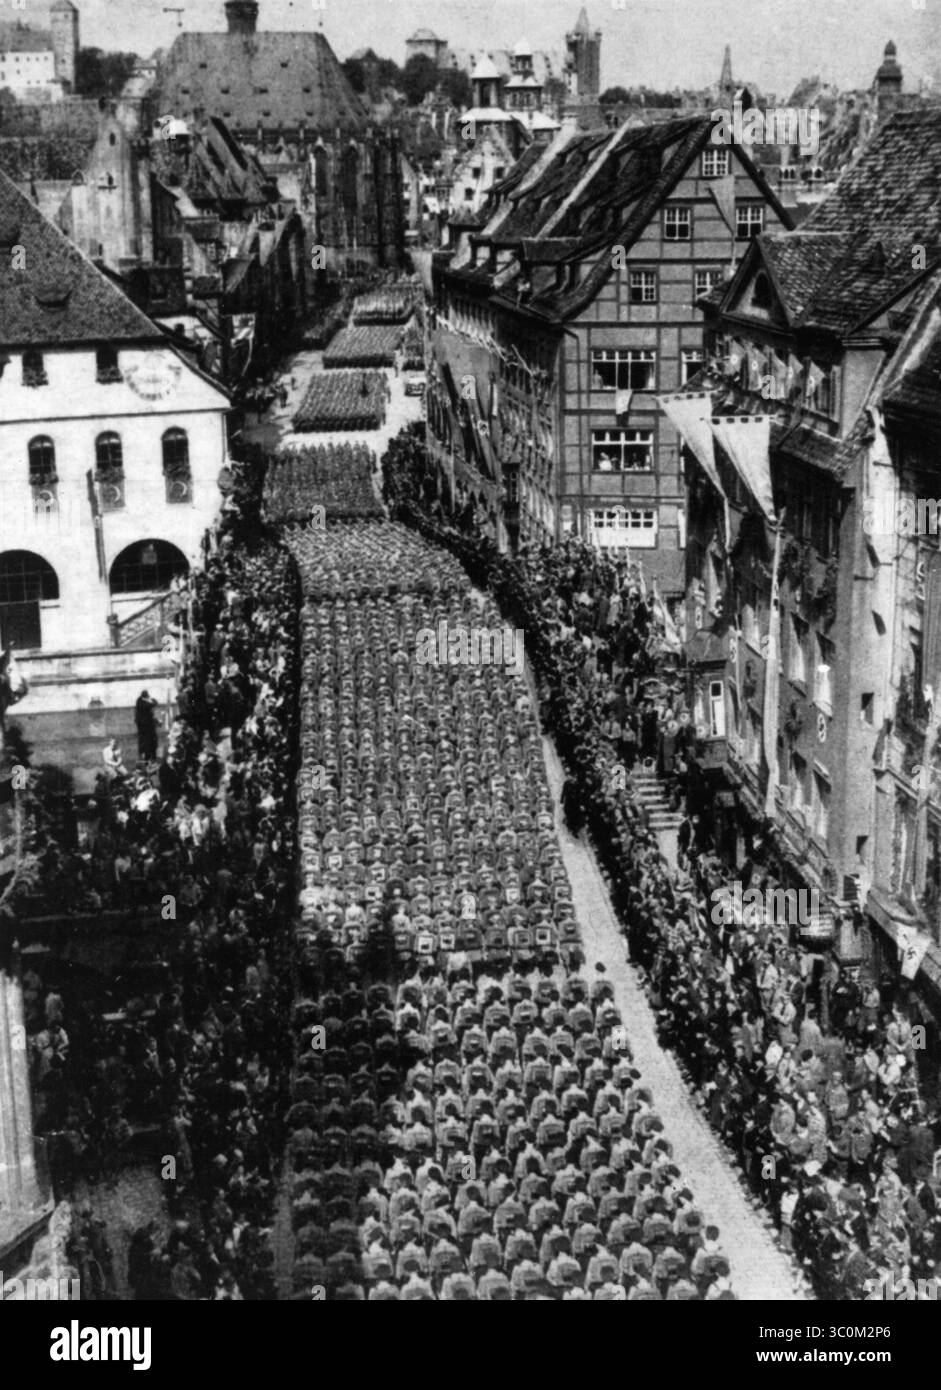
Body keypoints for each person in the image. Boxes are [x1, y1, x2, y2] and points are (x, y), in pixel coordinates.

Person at [135, 689, 160, 762]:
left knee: (147, 742)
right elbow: (154, 703)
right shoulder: (143, 704)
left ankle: (147, 756)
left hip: (145, 726)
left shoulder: (139, 700)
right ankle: (148, 757)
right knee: (148, 742)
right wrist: (150, 700)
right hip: (145, 727)